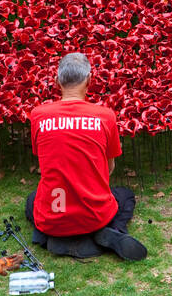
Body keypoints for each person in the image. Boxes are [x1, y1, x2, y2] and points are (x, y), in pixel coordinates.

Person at [26, 53, 148, 261]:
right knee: (125, 195)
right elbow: (109, 168)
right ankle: (109, 231)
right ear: (90, 80)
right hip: (94, 214)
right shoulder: (105, 116)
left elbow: (44, 161)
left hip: (54, 213)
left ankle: (48, 236)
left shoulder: (38, 115)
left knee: (32, 201)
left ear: (56, 82)